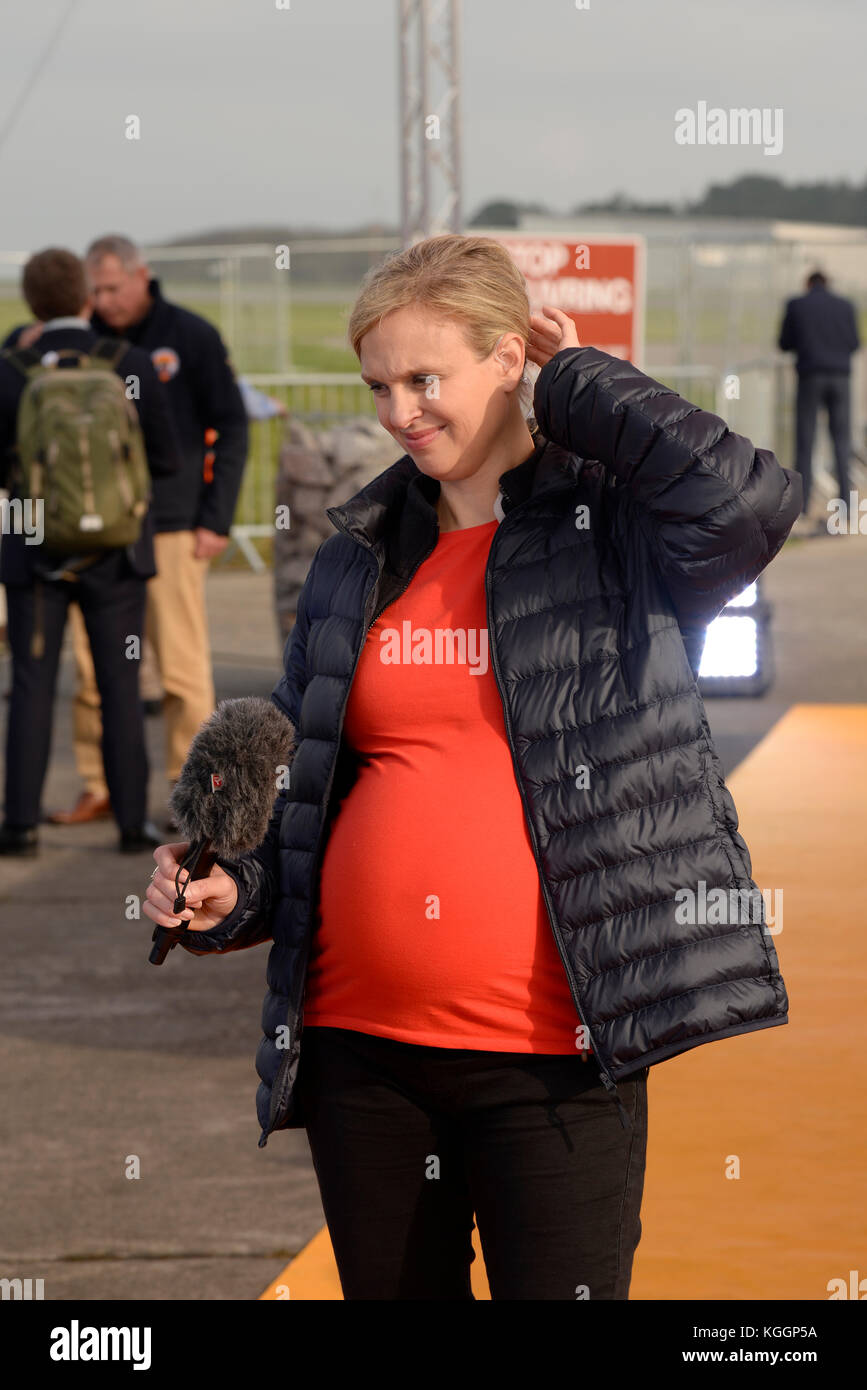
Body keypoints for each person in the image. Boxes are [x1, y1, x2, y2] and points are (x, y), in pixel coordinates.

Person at [144, 235, 801, 1300]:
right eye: (378, 385)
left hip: (553, 1056)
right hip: (362, 1053)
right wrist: (234, 889)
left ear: (511, 357)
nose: (398, 412)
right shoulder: (359, 551)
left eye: (424, 378)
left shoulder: (611, 530)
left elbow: (750, 503)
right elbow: (313, 786)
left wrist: (583, 385)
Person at [45, 234, 249, 828]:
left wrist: (216, 519)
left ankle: (186, 796)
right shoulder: (90, 345)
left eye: (113, 287)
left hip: (171, 529)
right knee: (91, 671)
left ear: (141, 275)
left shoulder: (190, 335)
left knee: (182, 670)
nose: (104, 300)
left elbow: (232, 427)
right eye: (94, 291)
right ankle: (99, 784)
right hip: (99, 534)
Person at [0, 248, 182, 854]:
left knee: (31, 682)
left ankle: (20, 825)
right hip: (116, 551)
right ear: (85, 297)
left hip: (32, 546)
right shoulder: (127, 363)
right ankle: (133, 824)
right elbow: (163, 459)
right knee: (119, 686)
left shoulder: (10, 367)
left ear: (31, 304)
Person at [778, 269, 861, 535]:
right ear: (829, 283)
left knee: (805, 440)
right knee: (842, 442)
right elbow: (854, 342)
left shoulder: (797, 305)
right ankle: (846, 506)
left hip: (810, 377)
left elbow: (784, 342)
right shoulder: (846, 306)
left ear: (808, 283)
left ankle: (802, 507)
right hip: (840, 378)